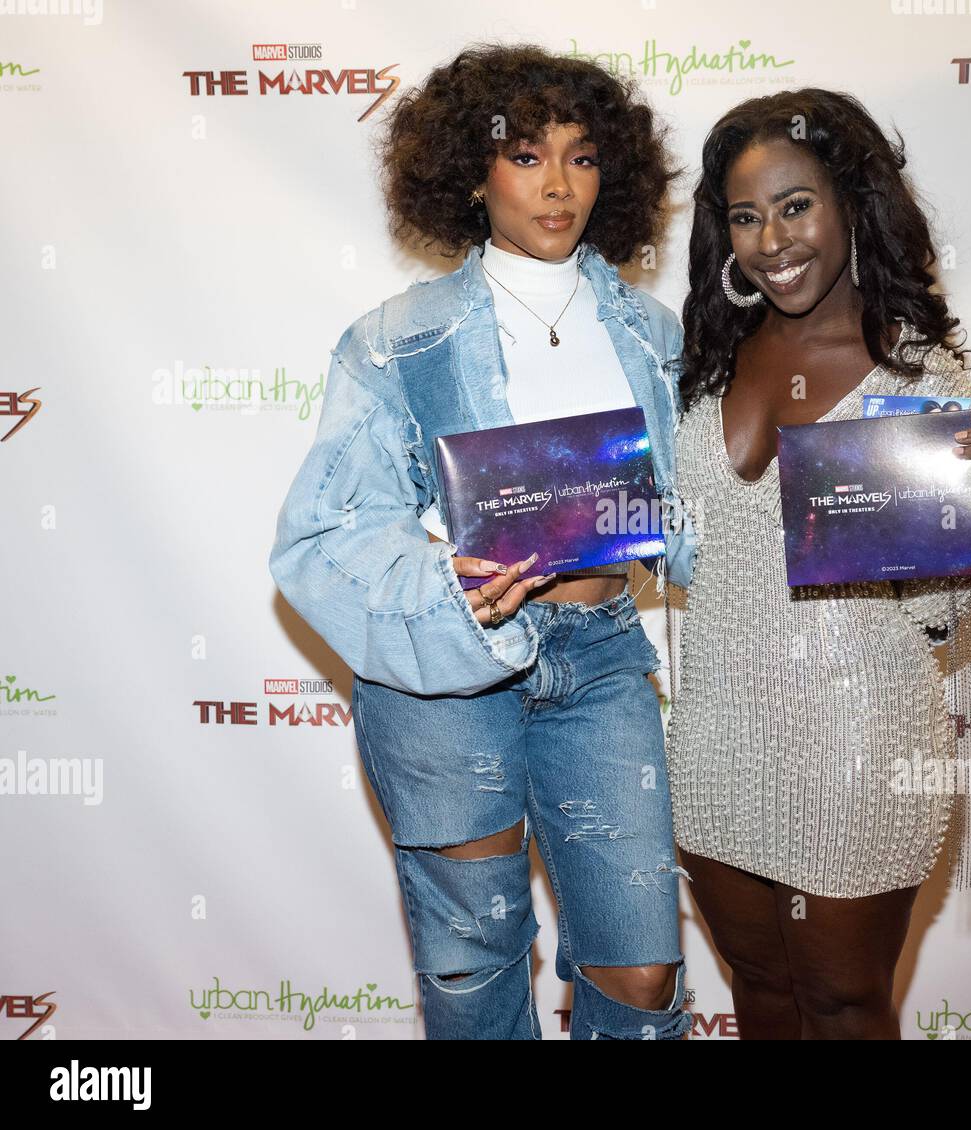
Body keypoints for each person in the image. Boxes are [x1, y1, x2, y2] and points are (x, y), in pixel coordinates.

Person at [268, 43, 696, 1040]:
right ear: (470, 170)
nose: (557, 184)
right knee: (473, 979)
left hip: (600, 664)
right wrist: (440, 580)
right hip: (443, 682)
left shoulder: (655, 333)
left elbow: (707, 511)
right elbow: (327, 531)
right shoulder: (394, 337)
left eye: (582, 158)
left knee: (640, 974)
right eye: (526, 155)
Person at [663, 89, 971, 1039]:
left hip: (859, 744)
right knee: (760, 995)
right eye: (746, 217)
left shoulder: (916, 380)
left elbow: (946, 613)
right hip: (716, 740)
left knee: (845, 1007)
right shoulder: (708, 360)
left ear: (851, 205)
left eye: (796, 206)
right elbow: (681, 554)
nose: (772, 240)